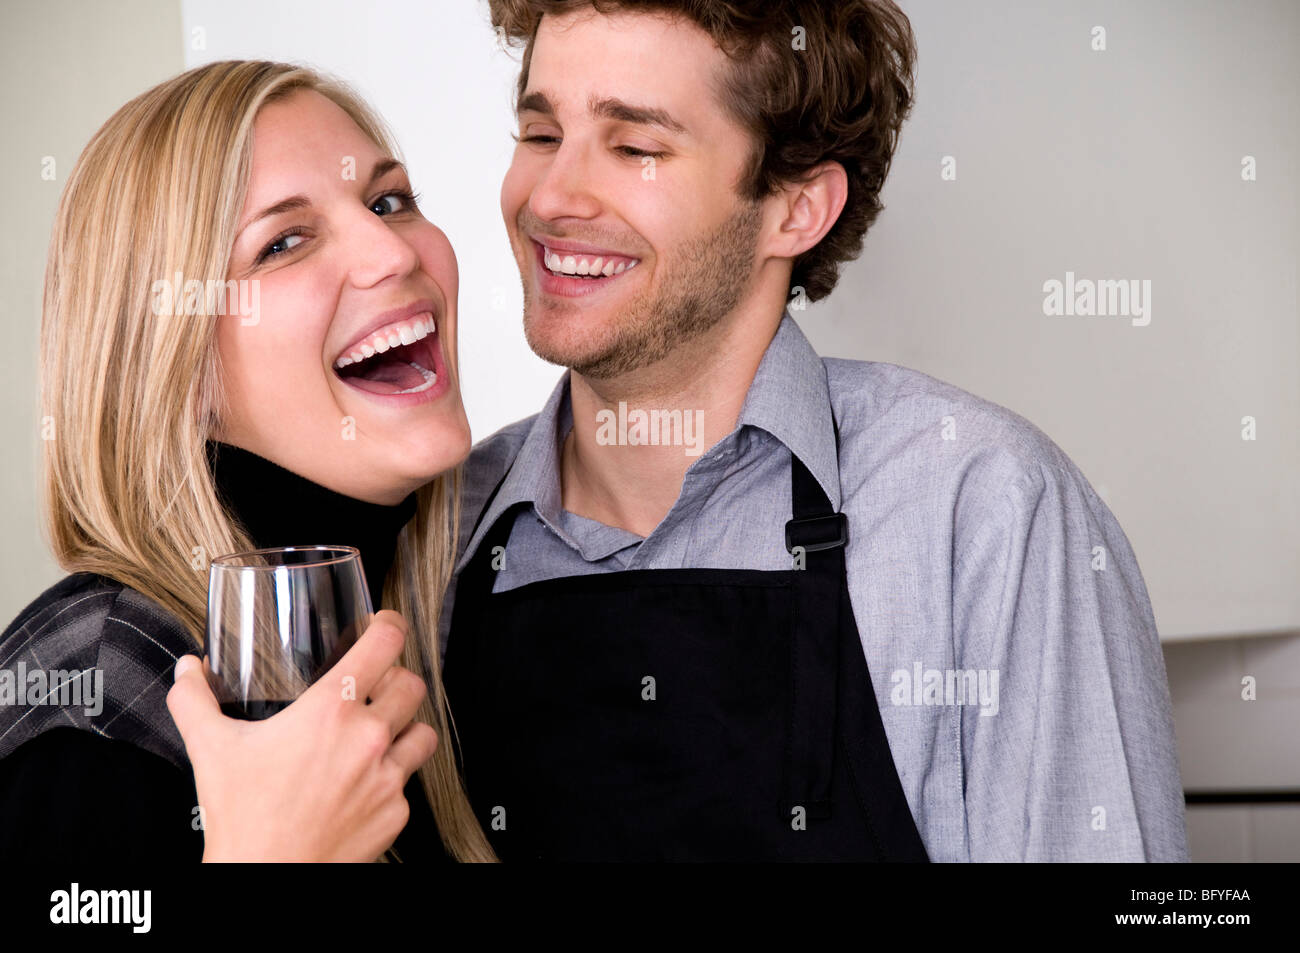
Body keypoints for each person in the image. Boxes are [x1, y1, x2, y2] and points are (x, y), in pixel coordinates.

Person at [427, 0, 1189, 860]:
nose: (552, 196)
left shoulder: (983, 510)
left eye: (635, 147)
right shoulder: (435, 536)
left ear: (796, 208)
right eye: (539, 134)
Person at [0, 60, 494, 863]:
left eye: (388, 201)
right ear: (176, 367)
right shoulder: (93, 719)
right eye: (284, 242)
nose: (390, 252)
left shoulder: (429, 625)